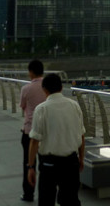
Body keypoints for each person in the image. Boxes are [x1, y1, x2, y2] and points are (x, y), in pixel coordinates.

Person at [27, 73, 85, 206]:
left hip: (49, 164)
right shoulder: (74, 105)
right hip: (71, 162)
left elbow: (35, 141)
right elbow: (81, 135)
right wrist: (81, 159)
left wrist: (31, 167)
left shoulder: (41, 109)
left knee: (46, 200)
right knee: (71, 200)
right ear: (61, 87)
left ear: (44, 89)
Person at [19, 59, 46, 202]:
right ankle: (45, 195)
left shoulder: (26, 89)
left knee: (28, 164)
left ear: (30, 72)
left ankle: (28, 194)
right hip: (46, 132)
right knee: (45, 165)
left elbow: (22, 106)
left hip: (29, 130)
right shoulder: (48, 87)